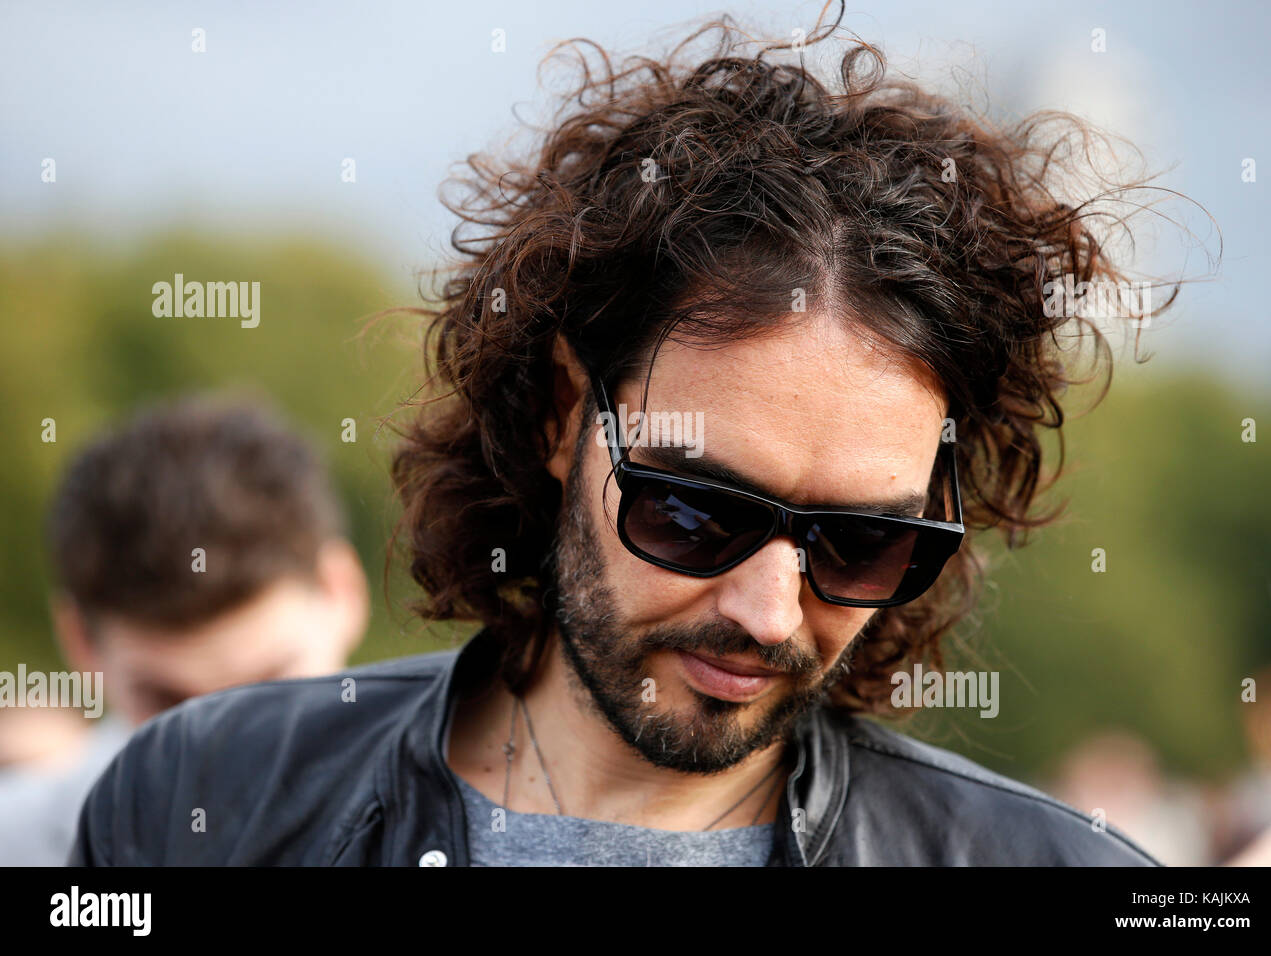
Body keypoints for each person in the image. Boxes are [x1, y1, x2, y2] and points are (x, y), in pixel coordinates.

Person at [71, 14, 1171, 866]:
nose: (765, 612)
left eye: (858, 544)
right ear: (562, 418)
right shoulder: (202, 795)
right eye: (695, 510)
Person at [0, 393, 368, 865]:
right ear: (81, 644)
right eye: (169, 704)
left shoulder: (462, 828)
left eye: (270, 688)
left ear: (341, 593)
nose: (231, 752)